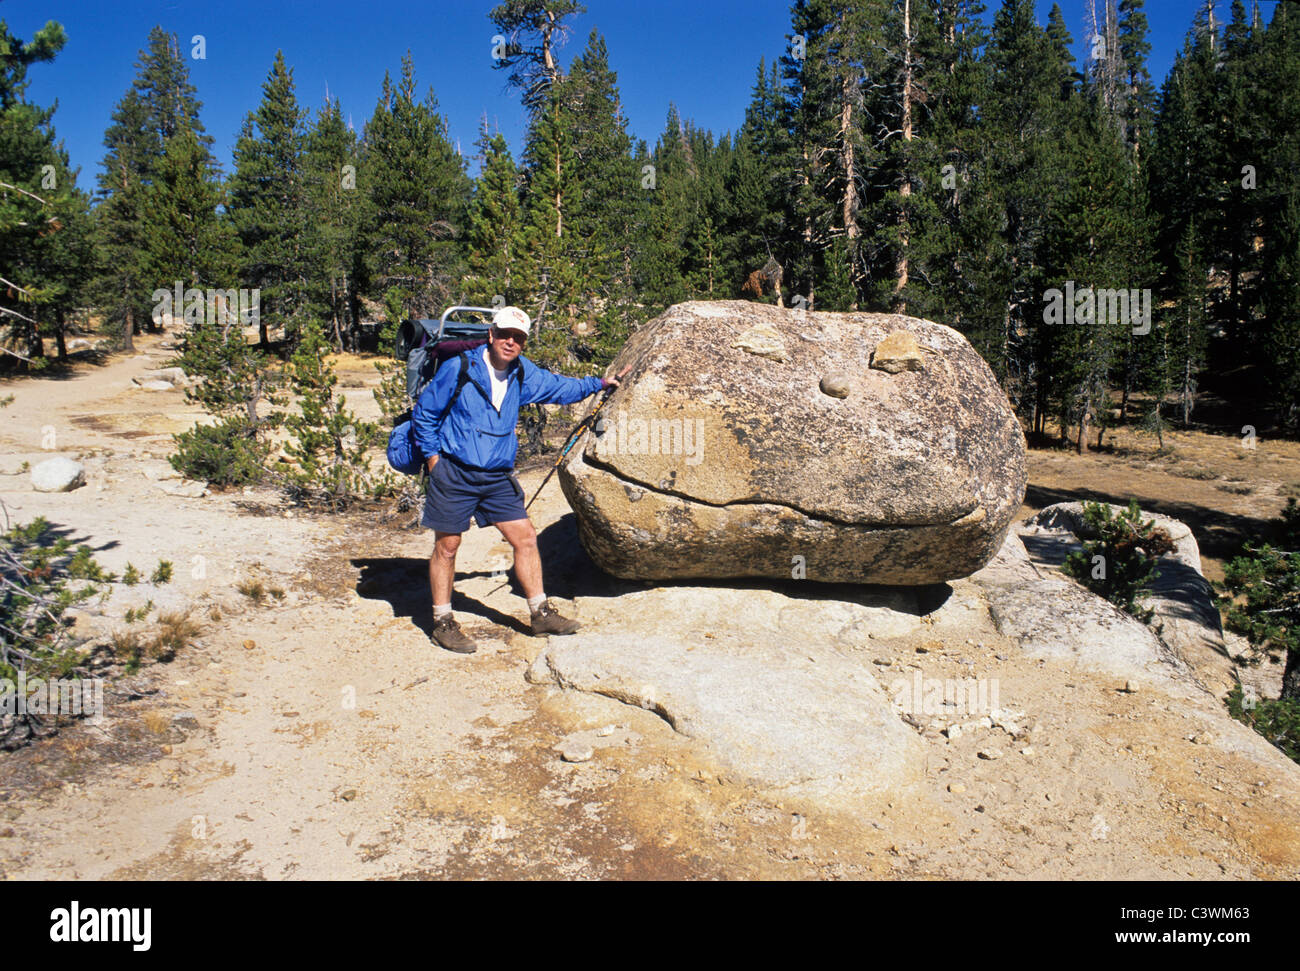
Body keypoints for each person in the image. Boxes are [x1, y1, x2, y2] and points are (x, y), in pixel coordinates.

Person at [411, 306, 629, 654]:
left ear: (524, 342)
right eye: (505, 334)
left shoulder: (522, 372)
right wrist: (434, 461)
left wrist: (600, 384)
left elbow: (559, 387)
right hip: (455, 470)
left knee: (525, 537)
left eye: (519, 337)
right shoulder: (460, 367)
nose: (510, 342)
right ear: (491, 334)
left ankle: (540, 613)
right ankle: (442, 621)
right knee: (447, 546)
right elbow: (425, 414)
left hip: (497, 475)